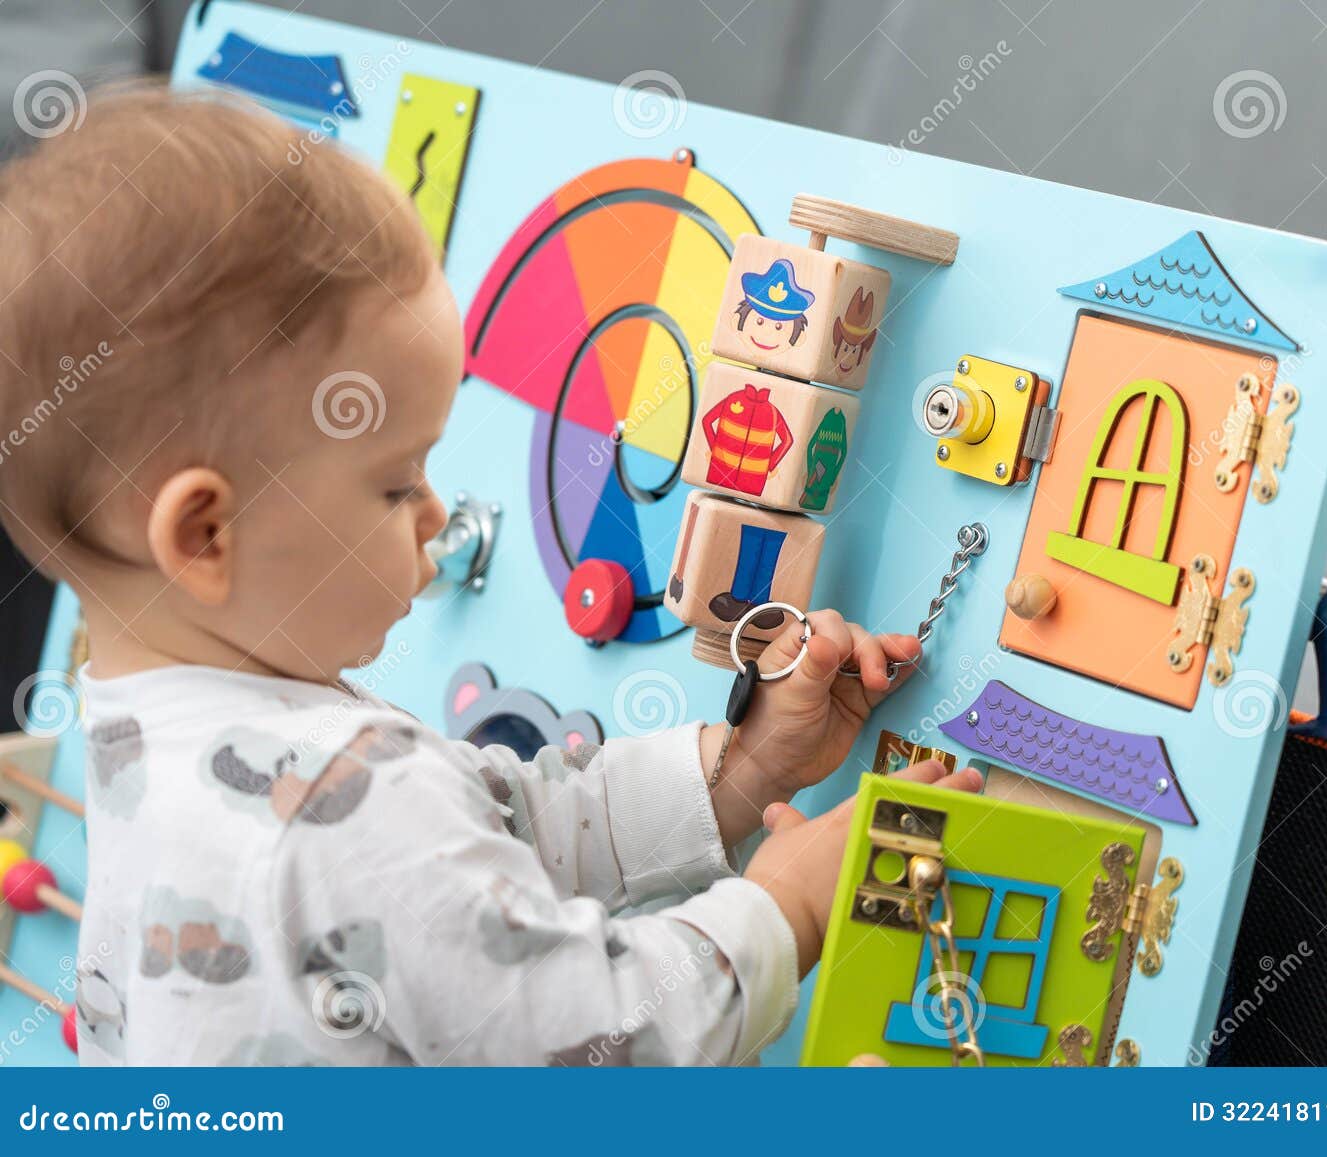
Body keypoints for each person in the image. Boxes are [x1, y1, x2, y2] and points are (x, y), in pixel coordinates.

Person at [0, 86, 979, 1066]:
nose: (435, 512)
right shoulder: (331, 800)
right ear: (206, 534)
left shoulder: (164, 742)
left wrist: (745, 769)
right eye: (393, 483)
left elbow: (501, 839)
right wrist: (789, 905)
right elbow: (604, 1039)